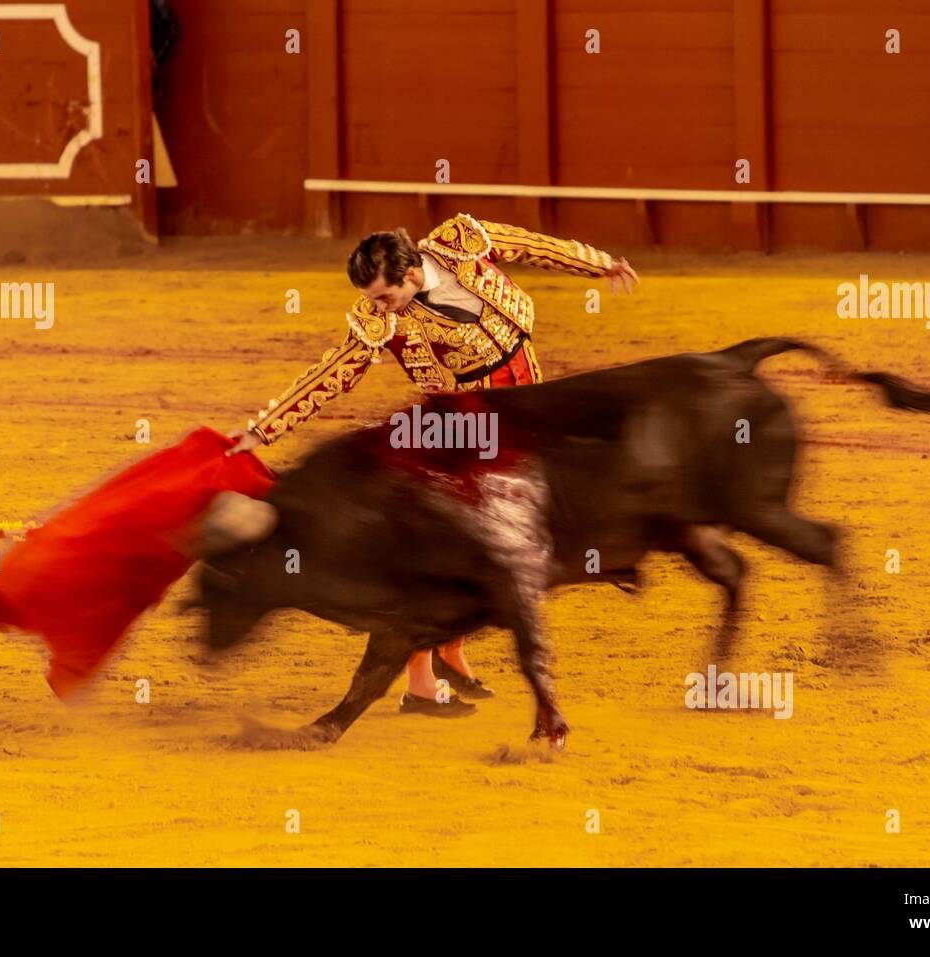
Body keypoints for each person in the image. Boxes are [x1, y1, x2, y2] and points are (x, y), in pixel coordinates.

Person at [229, 212, 638, 718]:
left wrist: (599, 265)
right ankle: (420, 684)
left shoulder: (462, 241)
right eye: (374, 298)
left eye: (384, 294)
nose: (377, 306)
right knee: (466, 542)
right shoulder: (381, 320)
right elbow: (332, 373)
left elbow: (531, 245)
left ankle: (451, 655)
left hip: (528, 391)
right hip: (470, 424)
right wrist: (263, 429)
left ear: (410, 272)